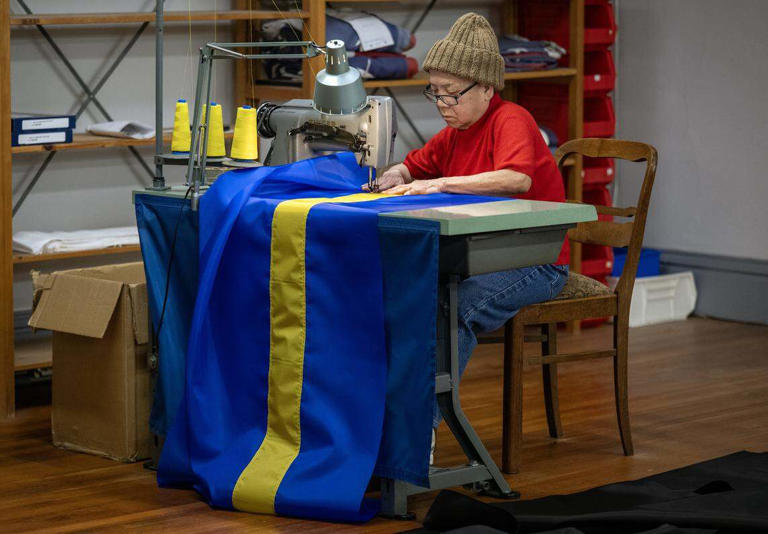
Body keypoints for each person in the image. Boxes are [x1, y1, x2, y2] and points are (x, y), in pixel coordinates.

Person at [366, 13, 571, 443]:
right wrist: (393, 176)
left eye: (451, 95)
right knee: (404, 297)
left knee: (454, 309)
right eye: (435, 94)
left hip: (536, 260)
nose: (442, 106)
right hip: (481, 256)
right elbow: (412, 165)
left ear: (486, 88)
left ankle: (418, 435)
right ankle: (384, 425)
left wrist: (438, 182)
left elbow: (518, 178)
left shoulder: (510, 119)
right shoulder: (455, 131)